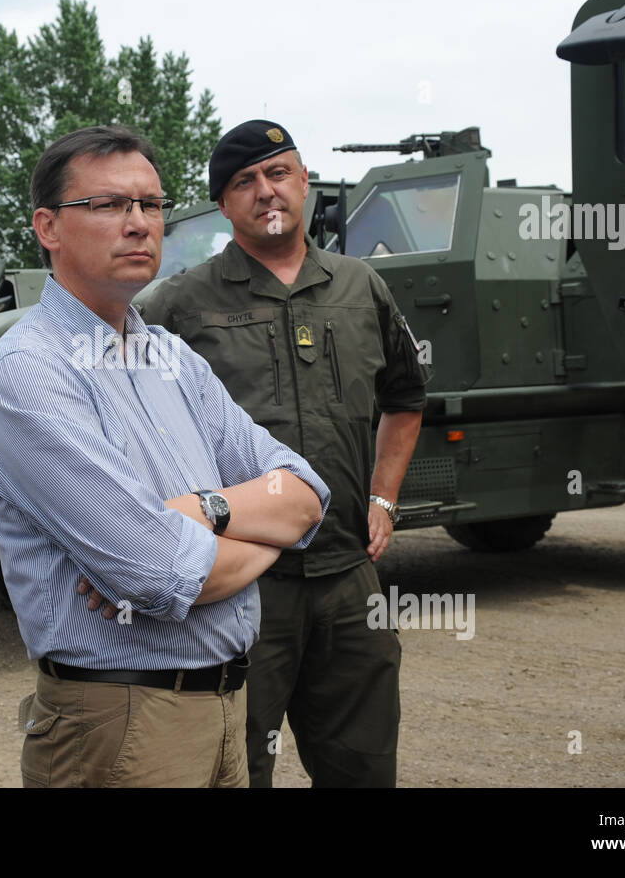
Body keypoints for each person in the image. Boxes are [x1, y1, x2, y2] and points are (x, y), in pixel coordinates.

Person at [0, 125, 331, 788]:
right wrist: (268, 537)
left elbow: (306, 494)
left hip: (226, 709)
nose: (138, 224)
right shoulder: (28, 372)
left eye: (151, 204)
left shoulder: (171, 355)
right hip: (121, 724)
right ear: (47, 227)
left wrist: (204, 510)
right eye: (108, 205)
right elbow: (159, 571)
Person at [139, 119, 428, 788]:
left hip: (348, 582)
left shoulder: (362, 288)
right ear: (223, 204)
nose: (264, 191)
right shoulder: (180, 303)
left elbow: (406, 396)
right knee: (235, 768)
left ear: (304, 181)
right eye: (244, 182)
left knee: (363, 767)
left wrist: (383, 496)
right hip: (240, 586)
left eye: (277, 173)